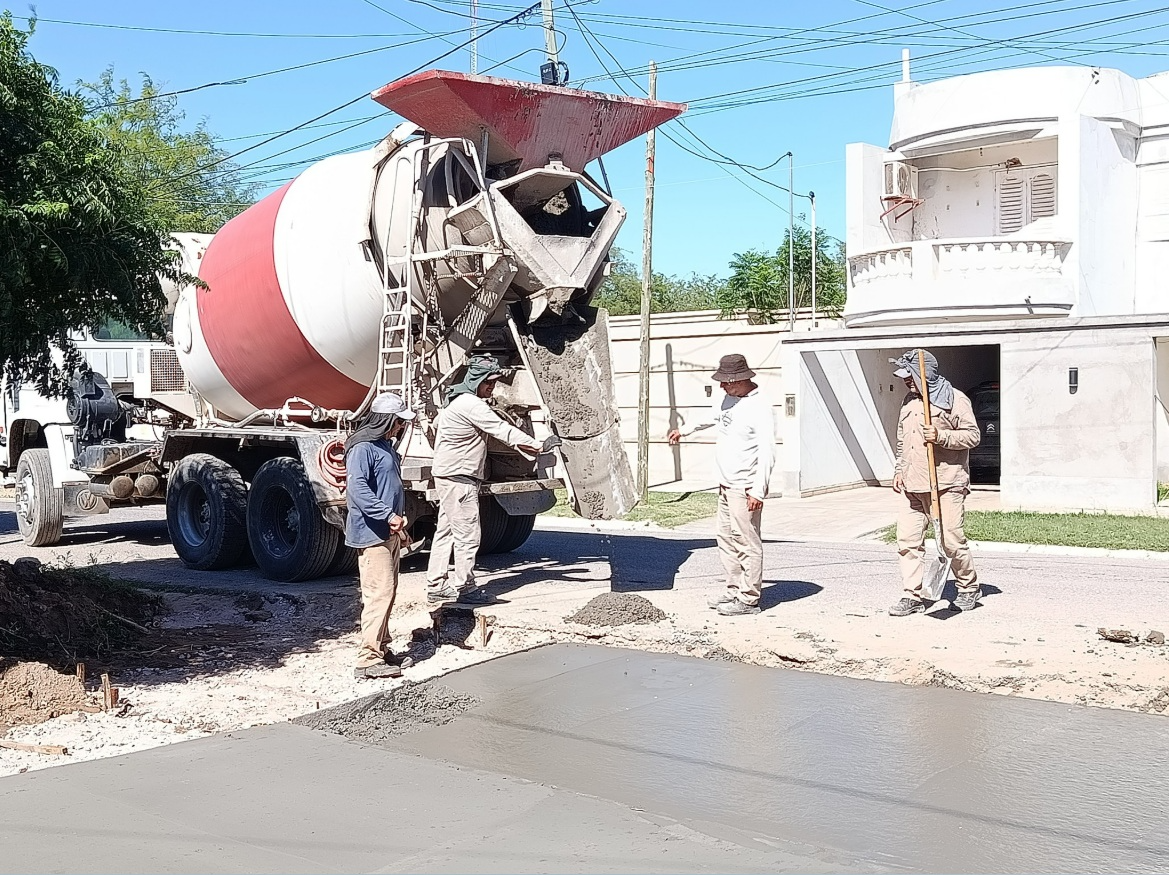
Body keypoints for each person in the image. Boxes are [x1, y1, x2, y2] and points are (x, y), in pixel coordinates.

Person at [426, 355, 543, 604]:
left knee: (446, 532)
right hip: (459, 478)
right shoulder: (471, 404)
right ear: (476, 379)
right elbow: (501, 429)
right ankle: (466, 588)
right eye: (488, 381)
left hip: (448, 475)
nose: (492, 386)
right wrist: (537, 445)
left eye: (495, 382)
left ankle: (436, 584)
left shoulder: (456, 401)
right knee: (468, 535)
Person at [668, 353, 776, 617]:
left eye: (726, 382)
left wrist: (758, 489)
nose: (721, 386)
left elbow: (768, 450)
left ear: (740, 380)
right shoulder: (729, 398)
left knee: (747, 543)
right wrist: (685, 429)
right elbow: (711, 416)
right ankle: (734, 590)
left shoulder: (759, 406)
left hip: (745, 486)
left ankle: (749, 599)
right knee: (726, 540)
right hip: (725, 484)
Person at [887, 349, 983, 616]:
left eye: (910, 376)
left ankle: (968, 586)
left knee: (951, 540)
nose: (906, 381)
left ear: (924, 374)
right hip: (912, 484)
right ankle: (912, 595)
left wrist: (941, 436)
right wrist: (898, 470)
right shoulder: (909, 401)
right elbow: (902, 441)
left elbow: (972, 436)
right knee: (907, 542)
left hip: (945, 483)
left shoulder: (954, 399)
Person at [345, 392, 416, 679]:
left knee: (389, 592)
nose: (400, 427)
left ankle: (382, 649)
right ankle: (367, 659)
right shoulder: (362, 448)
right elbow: (358, 490)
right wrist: (388, 516)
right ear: (386, 420)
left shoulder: (385, 446)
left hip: (389, 531)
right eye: (398, 421)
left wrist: (400, 528)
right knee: (379, 593)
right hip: (372, 533)